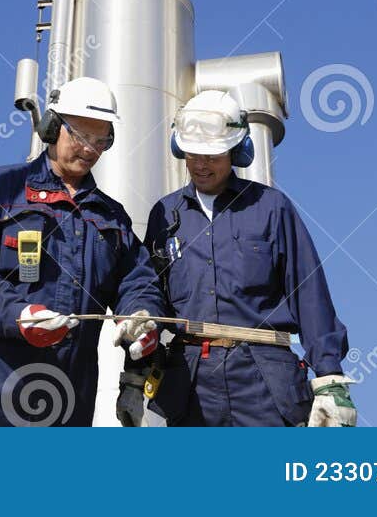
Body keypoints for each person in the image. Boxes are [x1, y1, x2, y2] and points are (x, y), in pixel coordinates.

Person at [0, 77, 164, 426]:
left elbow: (137, 281)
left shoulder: (111, 217)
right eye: (80, 137)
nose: (90, 150)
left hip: (68, 399)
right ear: (52, 127)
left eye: (101, 140)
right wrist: (18, 314)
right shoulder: (0, 189)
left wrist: (139, 316)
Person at [138, 90, 356, 428]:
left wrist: (330, 377)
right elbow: (147, 291)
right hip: (190, 383)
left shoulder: (271, 208)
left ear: (237, 151)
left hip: (263, 381)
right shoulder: (165, 215)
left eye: (212, 156)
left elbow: (308, 292)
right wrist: (135, 366)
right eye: (193, 154)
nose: (200, 165)